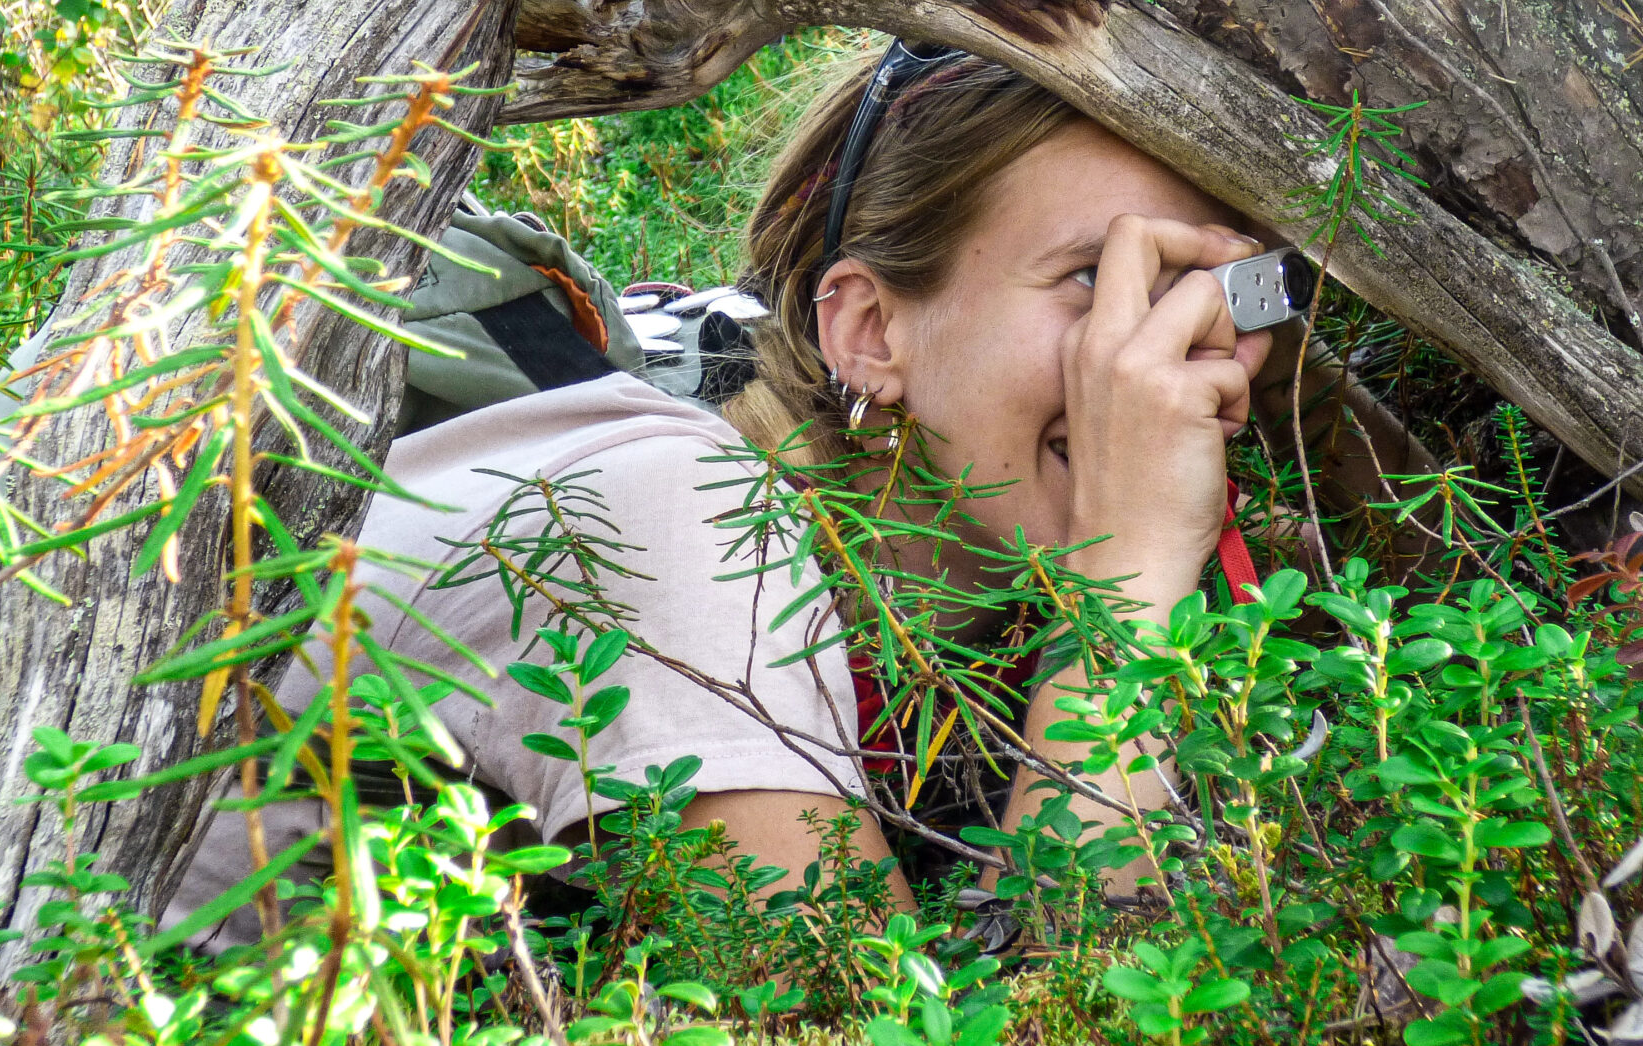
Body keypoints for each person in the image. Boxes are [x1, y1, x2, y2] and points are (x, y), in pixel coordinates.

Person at [166, 47, 1293, 934]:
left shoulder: (975, 632)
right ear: (867, 331)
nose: (1152, 354)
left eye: (1209, 293)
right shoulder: (666, 509)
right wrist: (1124, 603)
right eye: (1096, 279)